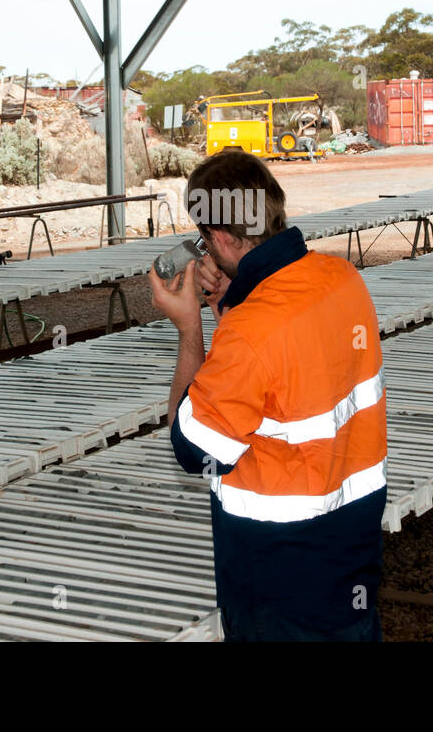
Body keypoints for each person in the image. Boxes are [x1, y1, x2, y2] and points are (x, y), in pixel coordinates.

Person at [147, 151, 387, 641]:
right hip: (350, 564)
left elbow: (191, 448)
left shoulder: (252, 330)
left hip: (280, 587)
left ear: (220, 237)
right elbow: (278, 374)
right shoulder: (342, 278)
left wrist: (189, 327)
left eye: (204, 239)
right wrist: (232, 304)